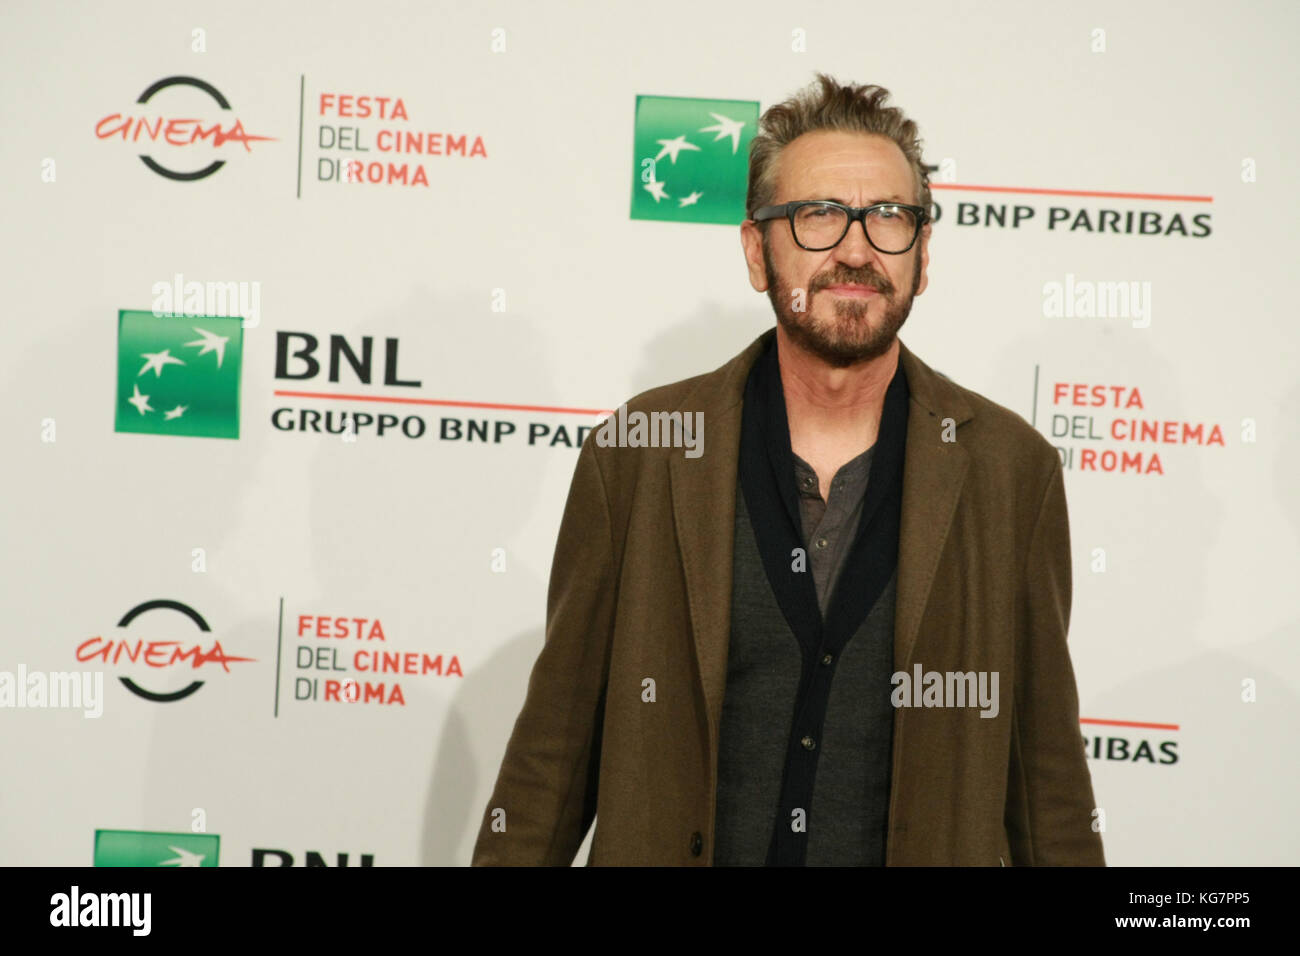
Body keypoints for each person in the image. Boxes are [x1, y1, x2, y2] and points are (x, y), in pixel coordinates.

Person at [472, 73, 1105, 866]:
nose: (855, 249)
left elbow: (1047, 783)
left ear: (924, 253)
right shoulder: (639, 453)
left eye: (889, 219)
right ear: (754, 249)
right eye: (818, 216)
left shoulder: (1012, 473)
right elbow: (553, 758)